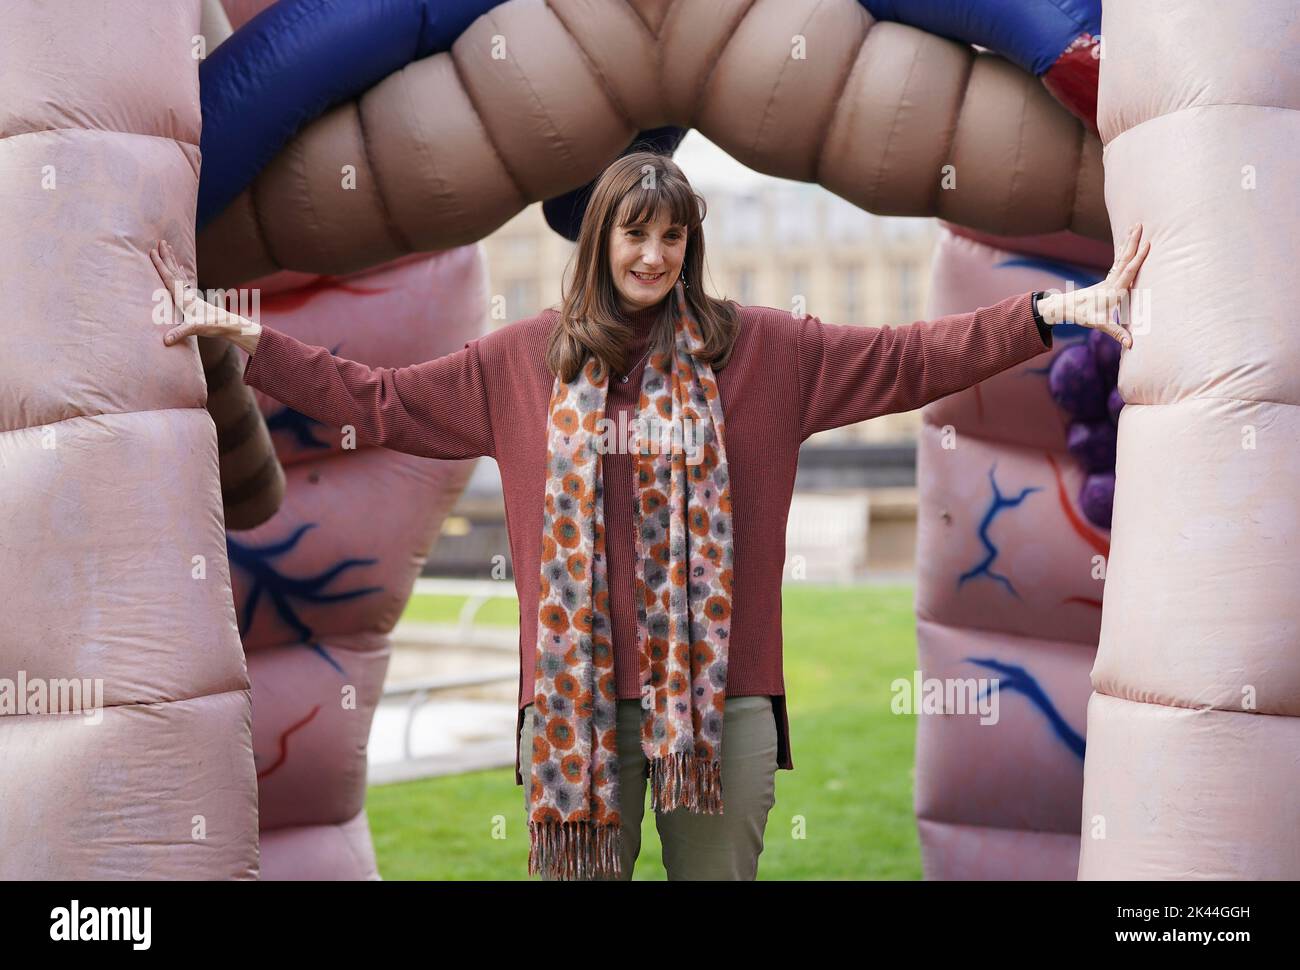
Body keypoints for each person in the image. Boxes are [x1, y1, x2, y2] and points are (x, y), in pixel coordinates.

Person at [150, 151, 1149, 881]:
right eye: (636, 231)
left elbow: (910, 355)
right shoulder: (522, 362)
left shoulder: (764, 353)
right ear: (601, 240)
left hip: (722, 714)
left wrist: (1051, 314)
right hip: (573, 719)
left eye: (674, 235)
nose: (655, 254)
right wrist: (250, 338)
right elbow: (378, 400)